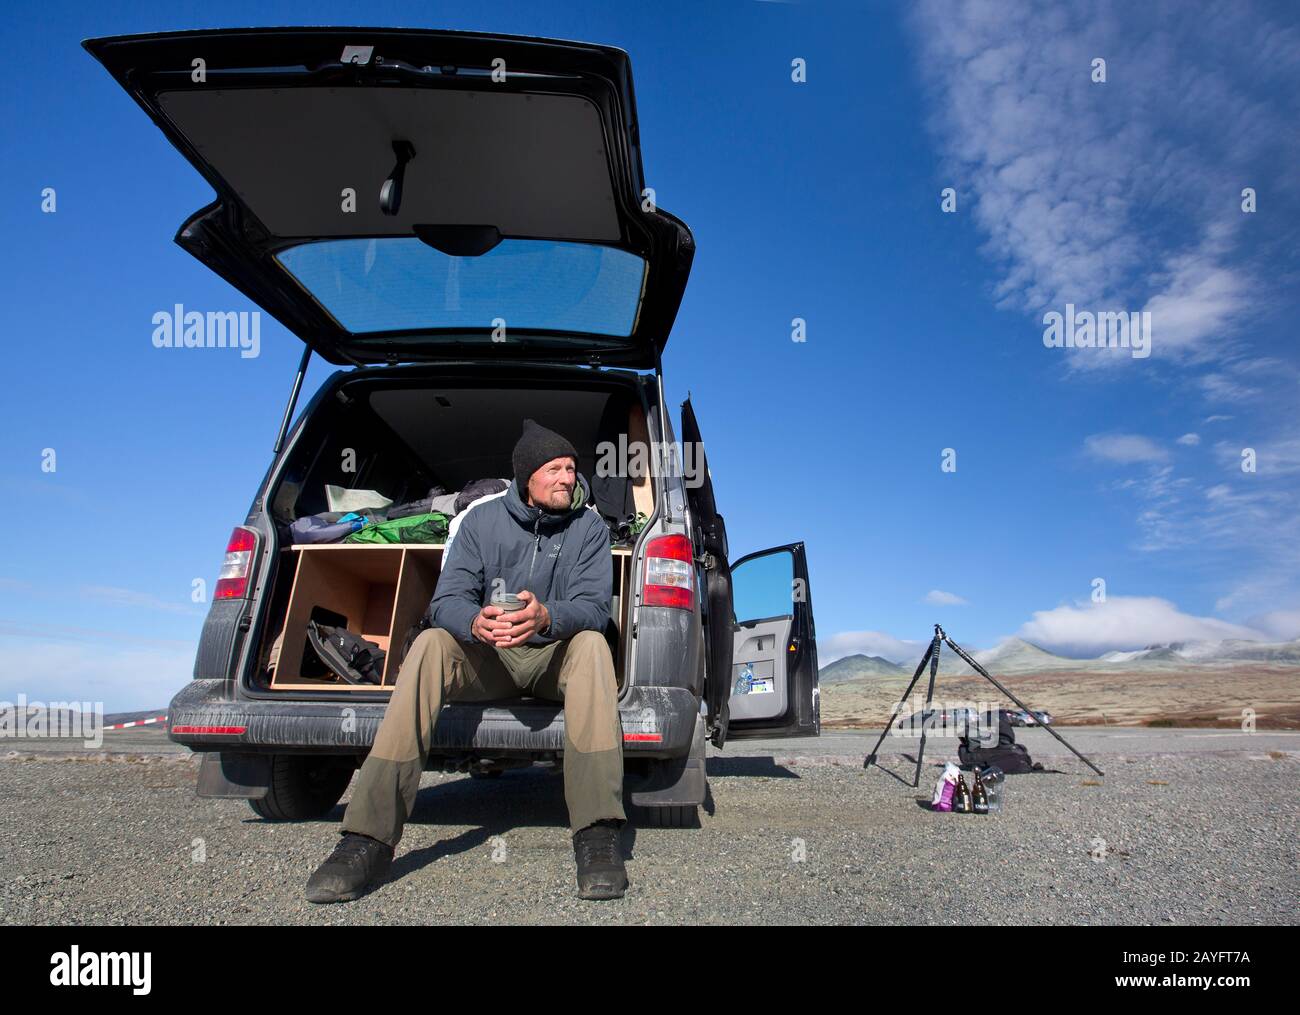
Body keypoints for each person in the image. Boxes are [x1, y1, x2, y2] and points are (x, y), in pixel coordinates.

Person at [305, 419, 628, 903]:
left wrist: (546, 616)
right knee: (431, 644)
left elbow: (595, 608)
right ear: (527, 476)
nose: (567, 477)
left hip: (551, 660)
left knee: (594, 645)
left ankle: (597, 833)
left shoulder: (589, 527)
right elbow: (447, 599)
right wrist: (475, 623)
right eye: (555, 468)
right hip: (490, 660)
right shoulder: (481, 521)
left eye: (571, 468)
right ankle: (366, 839)